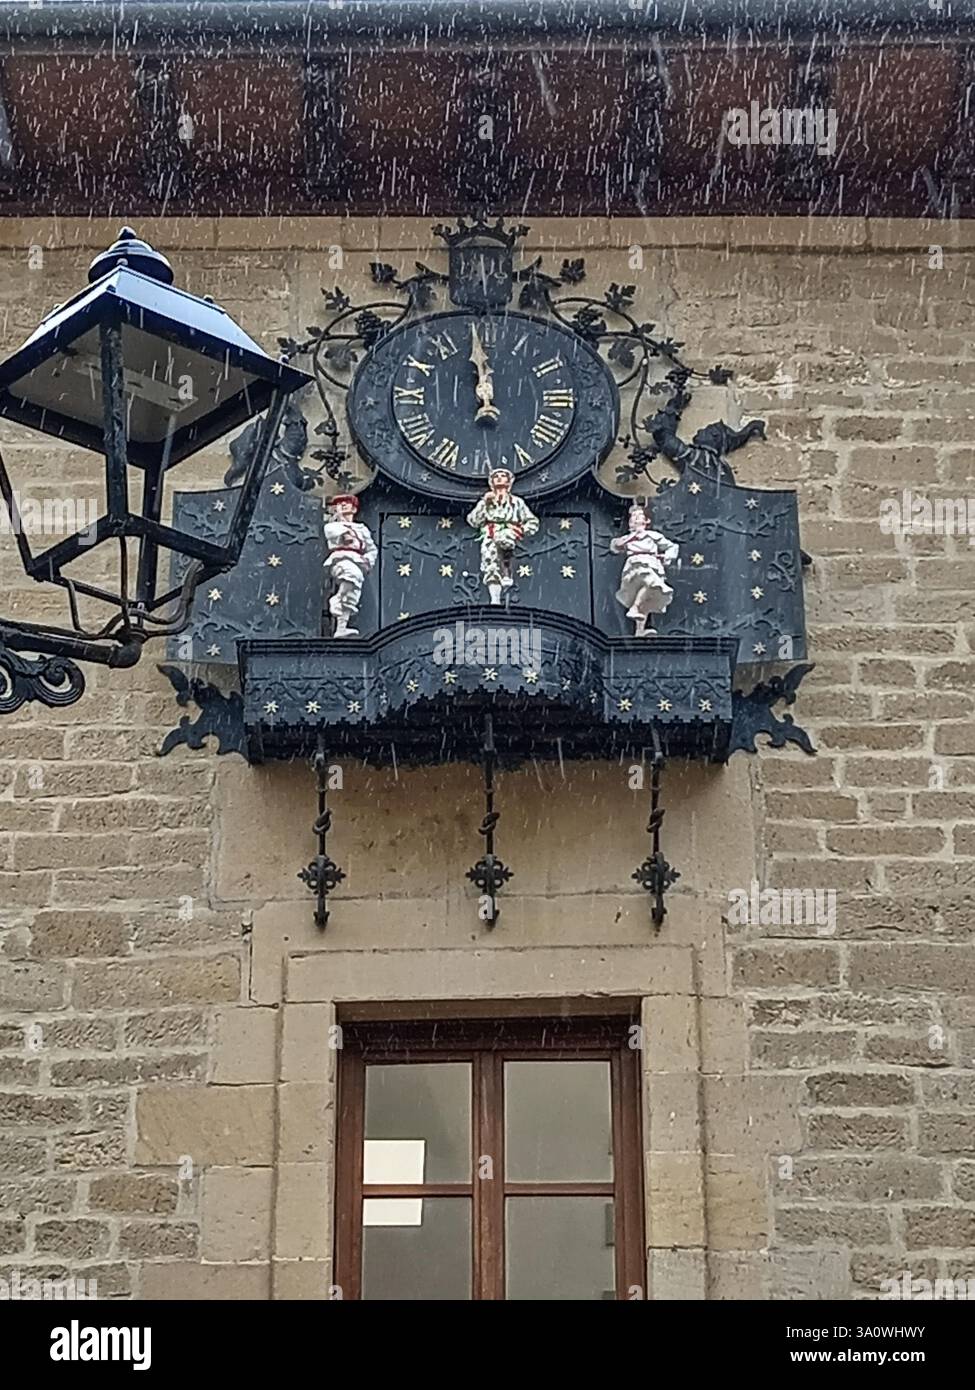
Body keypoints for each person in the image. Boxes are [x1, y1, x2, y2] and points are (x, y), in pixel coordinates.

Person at [466, 468, 539, 605]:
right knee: (491, 565)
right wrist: (484, 505)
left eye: (503, 476)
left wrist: (519, 531)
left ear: (509, 481)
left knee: (505, 555)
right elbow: (473, 521)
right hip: (490, 536)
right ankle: (495, 599)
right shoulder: (486, 502)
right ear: (492, 482)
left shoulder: (516, 502)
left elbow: (532, 522)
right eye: (496, 476)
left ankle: (507, 573)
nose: (499, 478)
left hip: (509, 535)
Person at [610, 502, 679, 636]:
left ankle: (639, 630)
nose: (634, 519)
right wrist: (629, 538)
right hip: (636, 565)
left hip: (652, 563)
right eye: (632, 517)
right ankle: (635, 608)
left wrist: (665, 557)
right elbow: (615, 546)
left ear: (646, 520)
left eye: (638, 516)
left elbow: (672, 547)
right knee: (651, 582)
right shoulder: (628, 538)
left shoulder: (653, 535)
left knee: (648, 599)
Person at [323, 494, 377, 637]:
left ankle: (341, 627)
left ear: (354, 509)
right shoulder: (333, 526)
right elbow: (342, 536)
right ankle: (337, 598)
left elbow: (371, 548)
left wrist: (367, 560)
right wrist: (341, 522)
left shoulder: (361, 528)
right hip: (341, 558)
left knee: (352, 593)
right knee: (351, 575)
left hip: (358, 561)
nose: (343, 505)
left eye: (346, 503)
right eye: (340, 504)